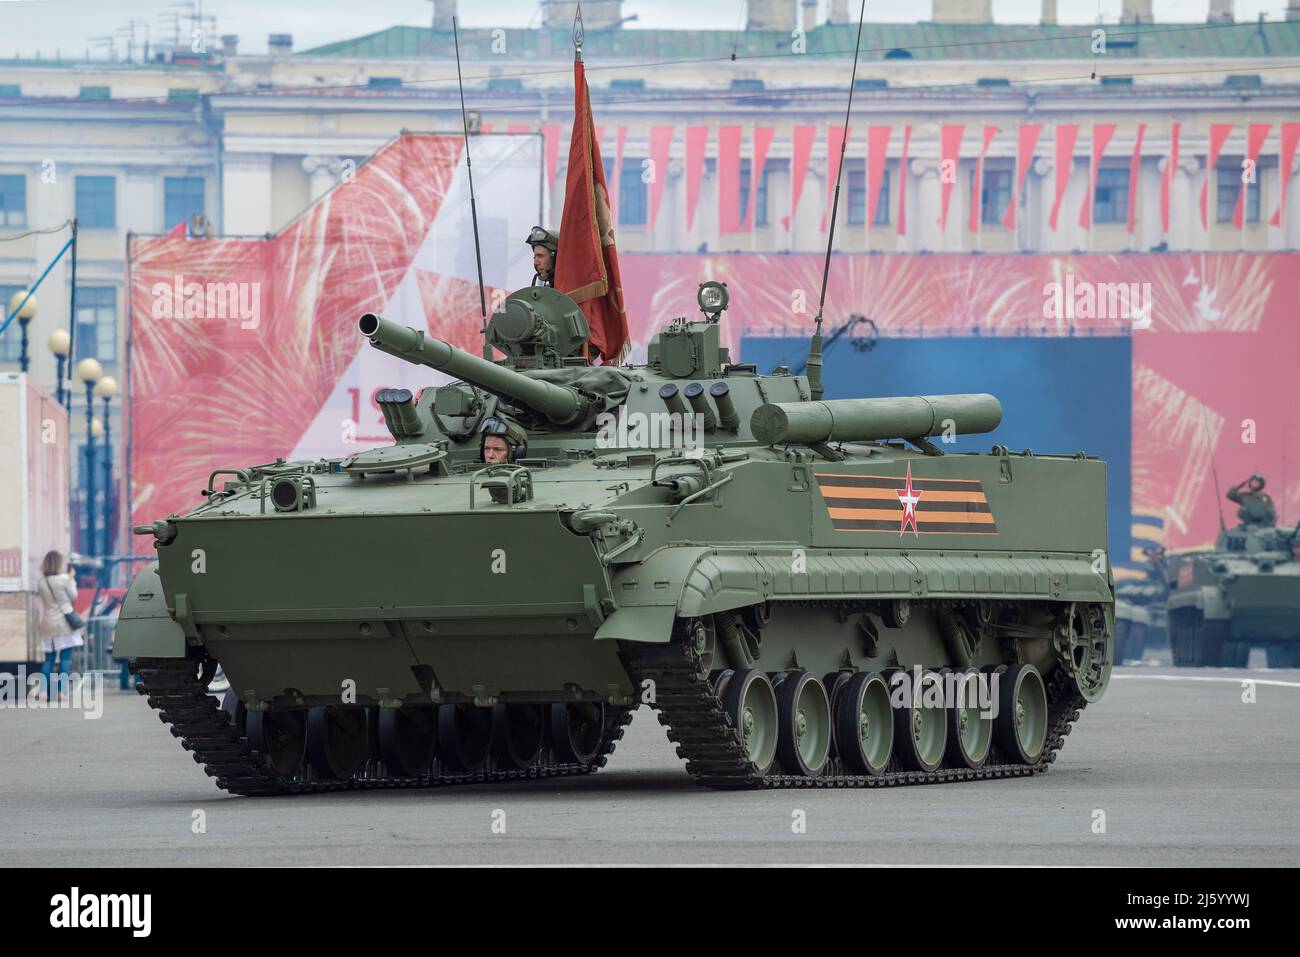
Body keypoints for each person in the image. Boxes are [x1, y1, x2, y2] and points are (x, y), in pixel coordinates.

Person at [35, 550, 83, 702]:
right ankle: (62, 692)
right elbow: (73, 596)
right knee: (65, 659)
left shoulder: (41, 582)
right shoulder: (64, 579)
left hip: (48, 623)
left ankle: (43, 692)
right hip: (63, 623)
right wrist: (72, 579)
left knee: (48, 659)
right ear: (58, 564)